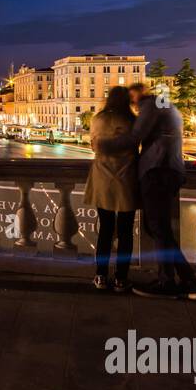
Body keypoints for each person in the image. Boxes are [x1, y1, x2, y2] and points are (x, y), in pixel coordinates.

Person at [111, 83, 196, 300]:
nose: (132, 103)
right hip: (168, 170)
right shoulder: (165, 106)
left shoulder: (151, 106)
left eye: (131, 97)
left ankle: (171, 282)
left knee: (158, 228)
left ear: (137, 93)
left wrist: (105, 144)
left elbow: (135, 137)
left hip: (157, 171)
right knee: (159, 229)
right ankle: (185, 281)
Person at [85, 85, 139, 292]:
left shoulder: (98, 119)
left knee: (105, 230)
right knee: (125, 232)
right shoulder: (131, 120)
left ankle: (100, 275)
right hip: (126, 178)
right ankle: (121, 278)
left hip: (103, 178)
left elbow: (93, 145)